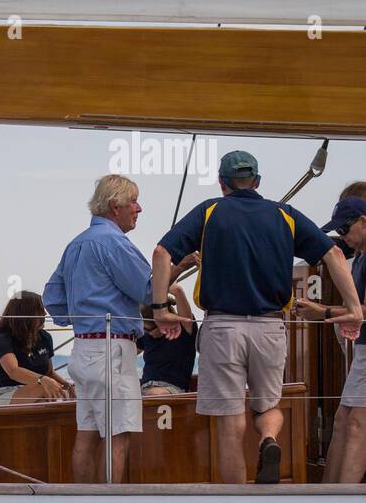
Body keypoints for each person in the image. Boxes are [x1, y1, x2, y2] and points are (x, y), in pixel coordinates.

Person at [152, 150, 362, 484]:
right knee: (267, 407)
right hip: (270, 327)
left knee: (230, 422)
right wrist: (353, 308)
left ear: (222, 183)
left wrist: (160, 309)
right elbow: (334, 253)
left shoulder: (210, 211)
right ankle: (269, 439)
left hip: (222, 327)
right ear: (258, 182)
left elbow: (162, 252)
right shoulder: (285, 215)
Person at [43, 174, 157, 483]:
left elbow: (52, 299)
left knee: (88, 432)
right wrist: (177, 266)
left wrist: (80, 317)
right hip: (113, 349)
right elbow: (147, 290)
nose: (139, 208)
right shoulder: (114, 242)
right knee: (118, 435)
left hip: (84, 348)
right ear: (114, 206)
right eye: (133, 201)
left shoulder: (76, 244)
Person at [294, 186, 366, 483]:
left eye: (346, 229)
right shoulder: (360, 256)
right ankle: (326, 495)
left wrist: (322, 312)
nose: (343, 236)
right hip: (363, 350)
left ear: (364, 220)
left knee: (358, 426)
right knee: (343, 421)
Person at [0, 291, 73, 404]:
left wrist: (68, 386)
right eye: (41, 310)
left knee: (65, 392)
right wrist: (42, 380)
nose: (45, 314)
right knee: (43, 388)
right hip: (5, 394)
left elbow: (49, 372)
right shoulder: (3, 338)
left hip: (38, 389)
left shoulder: (45, 337)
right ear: (27, 314)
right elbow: (13, 370)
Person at [138, 282, 198, 395]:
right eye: (145, 330)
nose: (149, 334)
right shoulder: (147, 336)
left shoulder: (184, 328)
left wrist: (159, 282)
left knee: (154, 394)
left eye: (151, 329)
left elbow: (178, 290)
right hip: (145, 388)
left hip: (172, 389)